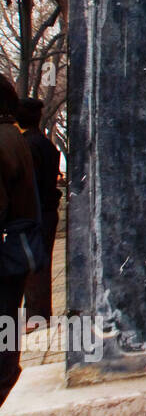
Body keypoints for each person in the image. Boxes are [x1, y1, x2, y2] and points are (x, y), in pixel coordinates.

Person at [0, 75, 38, 408]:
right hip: (17, 245)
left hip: (6, 244)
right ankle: (7, 370)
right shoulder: (15, 137)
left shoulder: (3, 139)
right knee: (8, 315)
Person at [16, 98, 60, 332]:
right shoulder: (45, 144)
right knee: (41, 263)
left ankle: (37, 315)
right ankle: (39, 313)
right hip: (48, 210)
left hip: (36, 212)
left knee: (35, 265)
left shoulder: (27, 146)